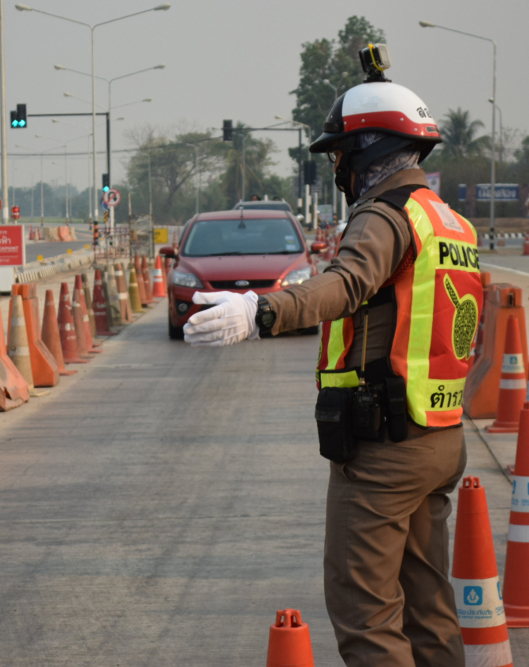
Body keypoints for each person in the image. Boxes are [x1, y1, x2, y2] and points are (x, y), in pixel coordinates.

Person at [184, 53, 483, 666]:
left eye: (341, 153)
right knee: (429, 607)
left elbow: (343, 284)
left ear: (369, 148)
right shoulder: (450, 222)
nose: (338, 167)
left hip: (384, 452)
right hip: (441, 436)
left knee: (365, 613)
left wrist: (261, 311)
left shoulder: (384, 216)